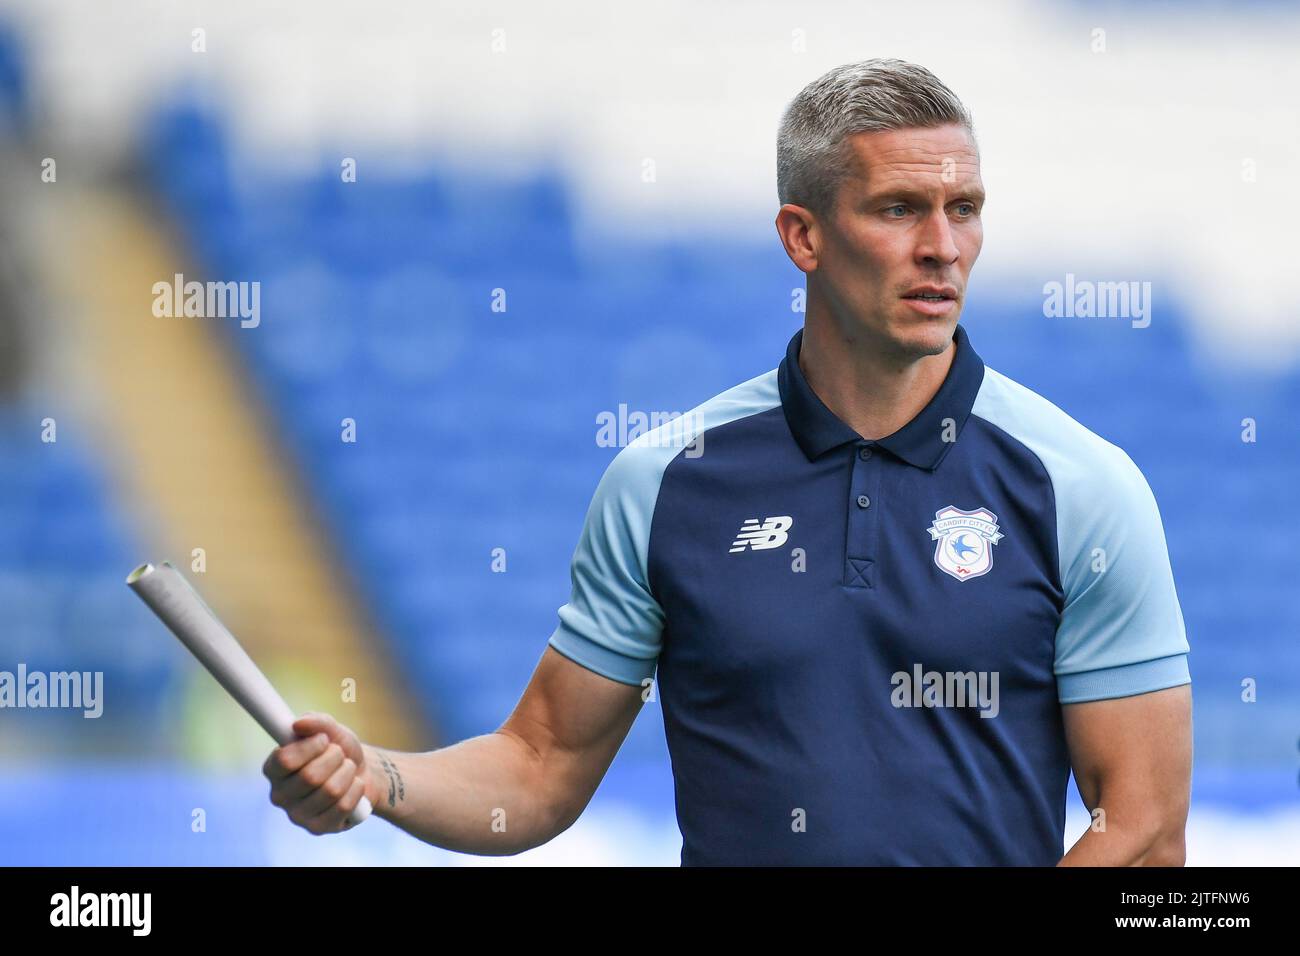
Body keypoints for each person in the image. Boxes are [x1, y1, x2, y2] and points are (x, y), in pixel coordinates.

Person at [265, 58, 1192, 865]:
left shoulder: (1082, 488)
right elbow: (539, 765)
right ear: (803, 235)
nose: (941, 248)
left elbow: (1145, 832)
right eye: (900, 209)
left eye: (965, 211)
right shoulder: (666, 482)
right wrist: (377, 776)